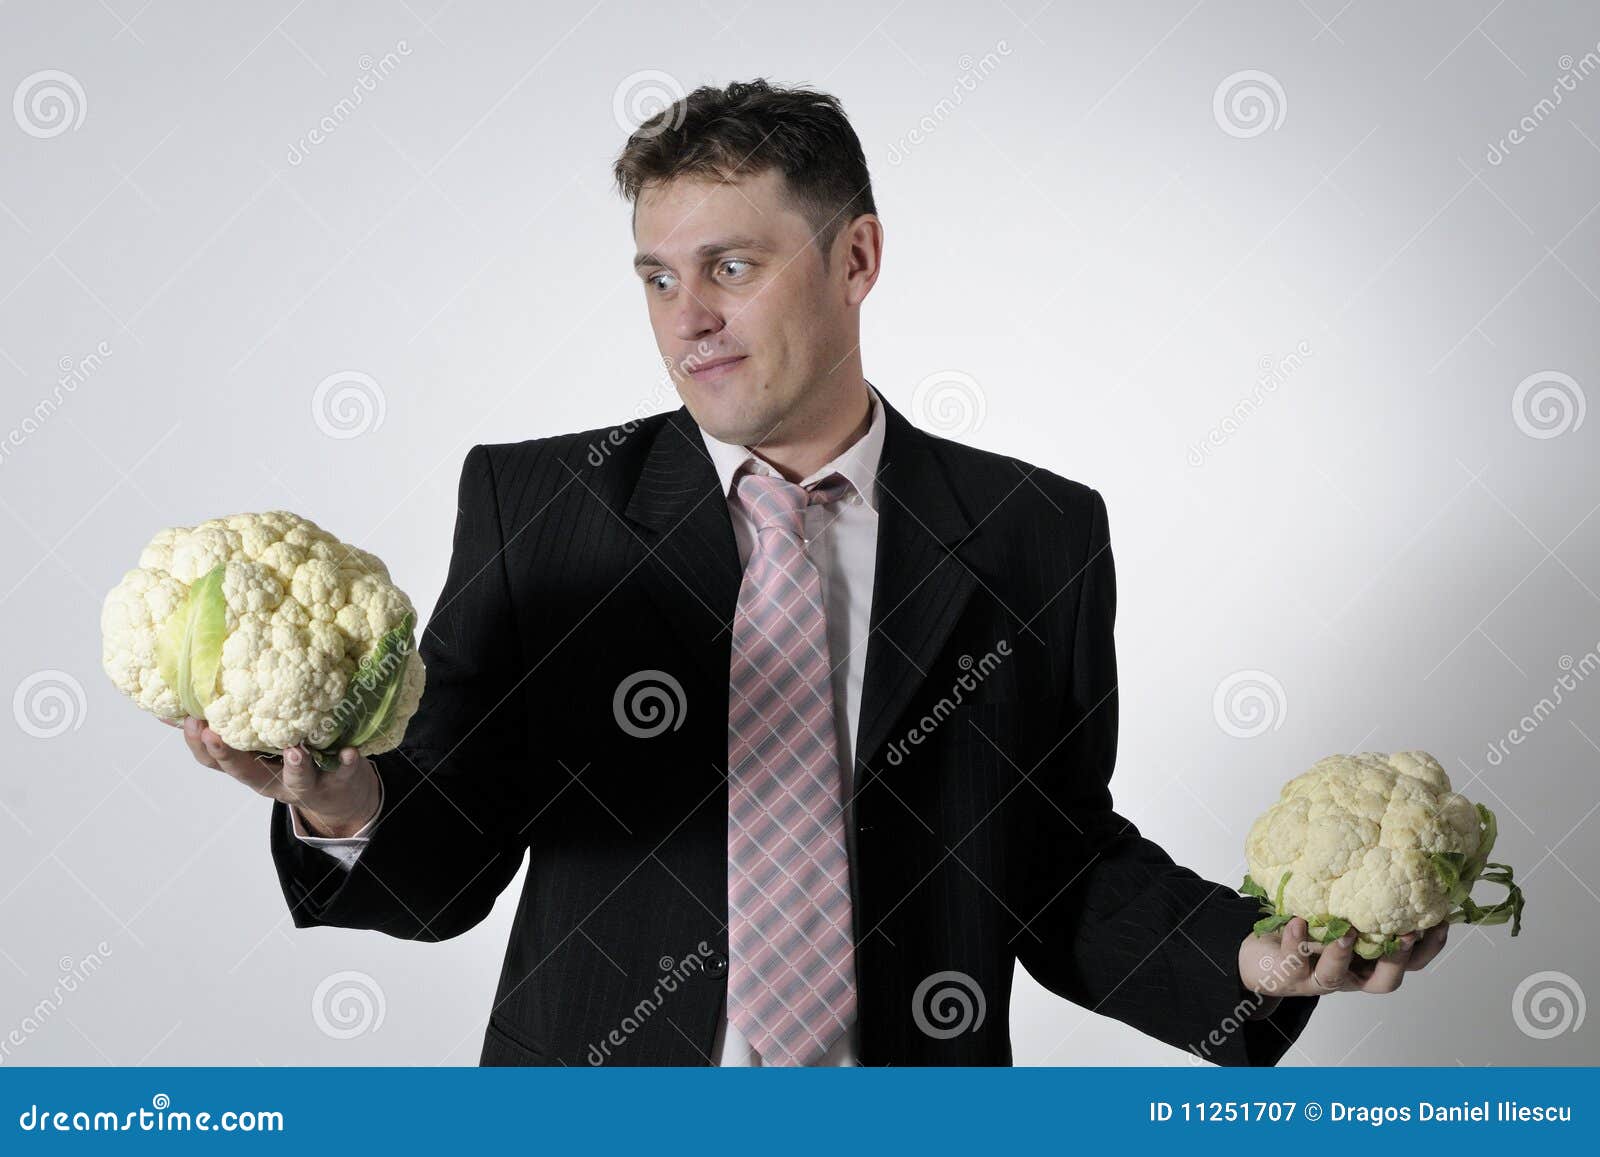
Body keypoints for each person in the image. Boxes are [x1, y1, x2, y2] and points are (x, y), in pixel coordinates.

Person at [174, 79, 1446, 1067]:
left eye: (731, 265)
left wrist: (1245, 958)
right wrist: (342, 803)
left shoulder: (1032, 530)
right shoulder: (543, 505)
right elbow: (447, 854)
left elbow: (1051, 861)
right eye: (658, 278)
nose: (688, 318)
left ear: (855, 260)